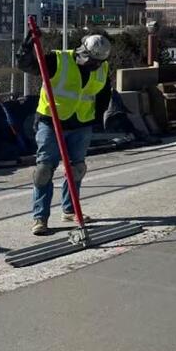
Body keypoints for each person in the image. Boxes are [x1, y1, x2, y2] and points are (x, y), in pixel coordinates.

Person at [17, 34, 112, 235]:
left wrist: (97, 118)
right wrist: (26, 50)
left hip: (81, 123)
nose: (94, 66)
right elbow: (28, 66)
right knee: (44, 170)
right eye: (91, 61)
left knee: (77, 168)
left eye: (97, 63)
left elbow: (104, 93)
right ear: (82, 52)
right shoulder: (59, 60)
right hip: (52, 121)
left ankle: (70, 210)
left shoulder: (102, 67)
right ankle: (40, 217)